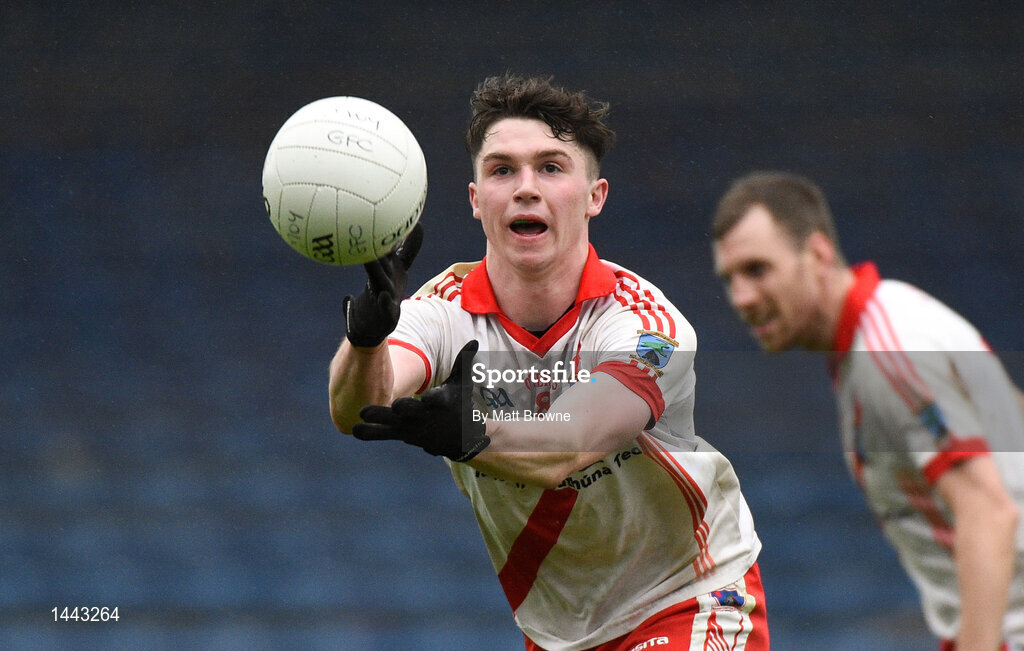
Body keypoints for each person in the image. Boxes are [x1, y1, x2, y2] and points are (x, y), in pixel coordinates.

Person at [328, 74, 769, 651]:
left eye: (551, 168)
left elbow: (571, 444)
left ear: (595, 197)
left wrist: (473, 433)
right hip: (559, 633)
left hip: (687, 595)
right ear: (475, 199)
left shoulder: (646, 327)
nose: (525, 188)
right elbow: (359, 410)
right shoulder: (440, 311)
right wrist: (365, 343)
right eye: (502, 170)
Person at [711, 170, 1024, 650]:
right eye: (729, 279)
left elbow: (989, 512)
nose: (742, 298)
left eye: (757, 270)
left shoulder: (887, 354)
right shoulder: (889, 325)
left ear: (818, 254)